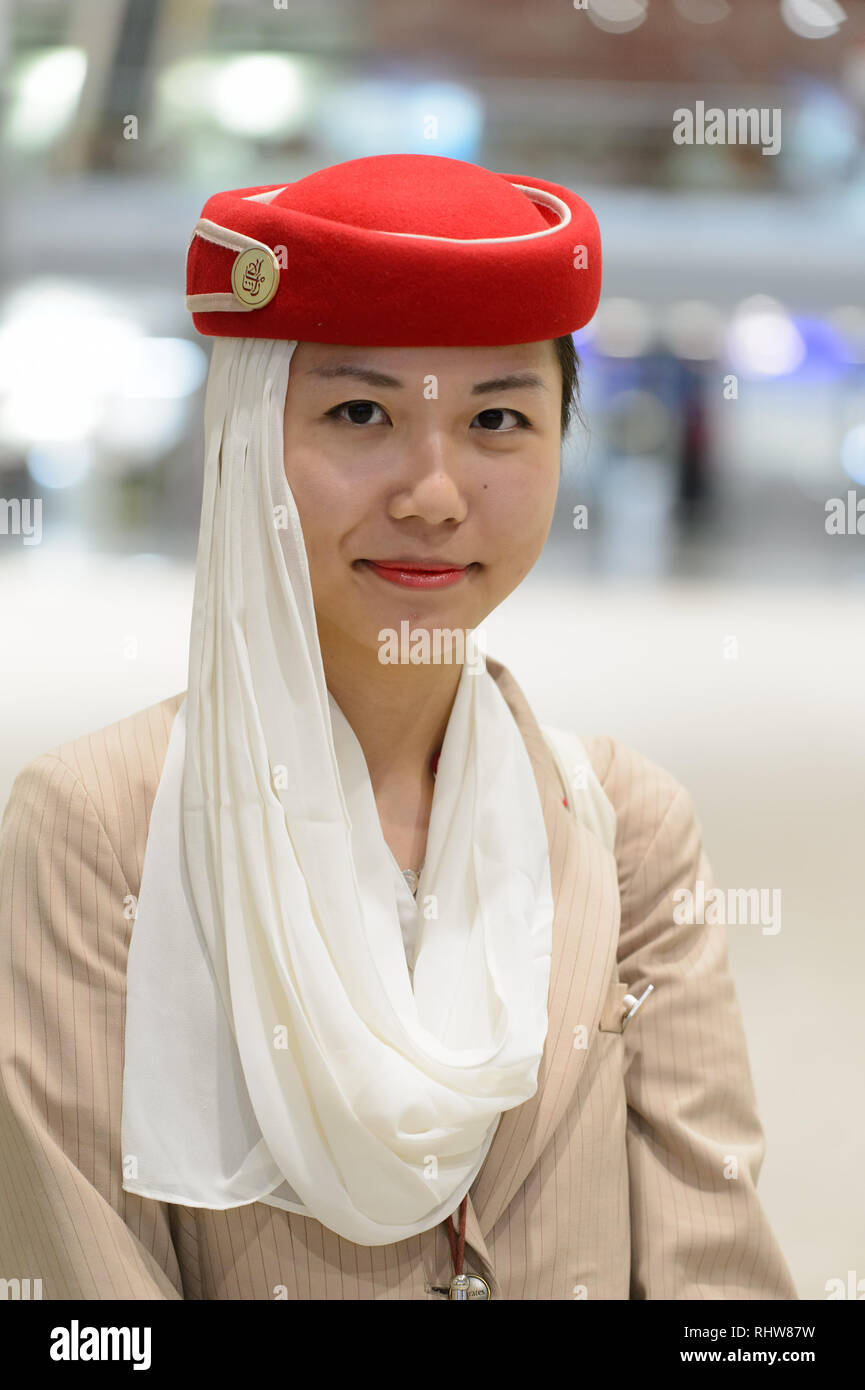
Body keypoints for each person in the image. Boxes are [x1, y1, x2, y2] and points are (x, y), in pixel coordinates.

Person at [0, 153, 797, 1300]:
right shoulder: (102, 828)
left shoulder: (625, 829)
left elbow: (717, 1285)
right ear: (245, 441)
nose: (433, 491)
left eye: (498, 419)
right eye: (361, 411)